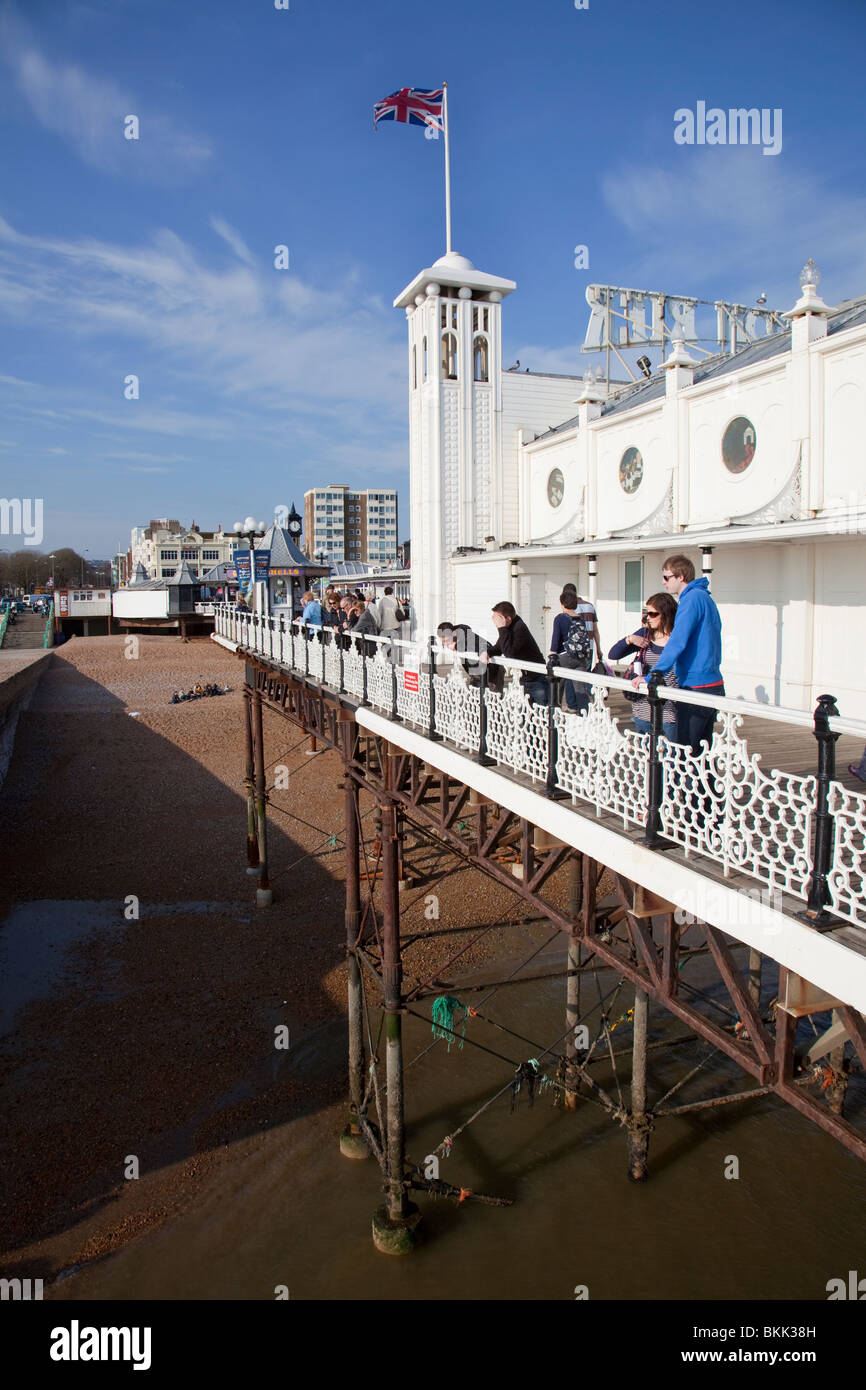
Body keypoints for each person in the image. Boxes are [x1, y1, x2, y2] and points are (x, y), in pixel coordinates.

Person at [652, 554, 723, 754]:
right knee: (702, 754)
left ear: (680, 576)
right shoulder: (705, 598)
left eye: (667, 577)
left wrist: (654, 674)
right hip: (712, 684)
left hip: (696, 686)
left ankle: (681, 787)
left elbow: (677, 642)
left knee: (685, 755)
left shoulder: (691, 600)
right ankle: (705, 787)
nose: (663, 582)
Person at [608, 592, 678, 740]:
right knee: (645, 758)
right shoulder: (645, 635)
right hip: (642, 710)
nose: (648, 618)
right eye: (646, 613)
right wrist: (630, 639)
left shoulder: (678, 637)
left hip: (669, 711)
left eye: (652, 614)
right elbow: (613, 655)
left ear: (665, 614)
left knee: (669, 760)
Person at [549, 585, 601, 714]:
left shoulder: (560, 618)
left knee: (556, 684)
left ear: (562, 603)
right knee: (580, 688)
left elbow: (556, 640)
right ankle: (586, 715)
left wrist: (552, 656)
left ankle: (555, 713)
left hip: (565, 657)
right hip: (581, 658)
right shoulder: (580, 619)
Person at [483, 601, 548, 704]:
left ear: (508, 619)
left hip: (536, 678)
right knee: (526, 715)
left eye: (498, 618)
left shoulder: (519, 628)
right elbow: (500, 647)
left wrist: (502, 628)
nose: (494, 621)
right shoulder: (510, 627)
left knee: (544, 712)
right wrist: (487, 652)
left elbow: (510, 653)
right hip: (524, 679)